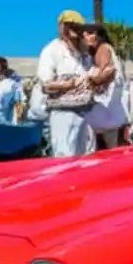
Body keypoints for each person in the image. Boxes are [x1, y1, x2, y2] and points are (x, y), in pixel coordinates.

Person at [37, 10, 94, 156]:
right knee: (65, 158)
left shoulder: (84, 54)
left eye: (78, 26)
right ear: (62, 27)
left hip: (85, 113)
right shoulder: (52, 50)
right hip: (63, 113)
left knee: (86, 160)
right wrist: (69, 85)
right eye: (71, 25)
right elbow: (46, 84)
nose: (75, 28)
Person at [81, 24, 129, 148]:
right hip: (109, 112)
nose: (88, 37)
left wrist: (92, 81)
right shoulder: (92, 54)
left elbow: (107, 71)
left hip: (106, 110)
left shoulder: (103, 49)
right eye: (85, 34)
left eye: (91, 33)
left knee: (109, 149)